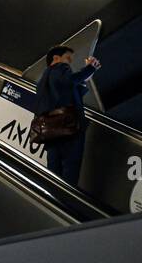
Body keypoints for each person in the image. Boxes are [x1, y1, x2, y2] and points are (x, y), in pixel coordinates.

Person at [34, 45, 101, 187]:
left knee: (53, 175)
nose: (70, 62)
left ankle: (53, 204)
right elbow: (70, 81)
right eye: (68, 58)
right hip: (68, 131)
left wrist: (84, 77)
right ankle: (66, 206)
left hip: (50, 133)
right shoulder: (59, 68)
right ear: (56, 58)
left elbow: (68, 90)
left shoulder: (43, 81)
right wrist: (90, 68)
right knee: (70, 176)